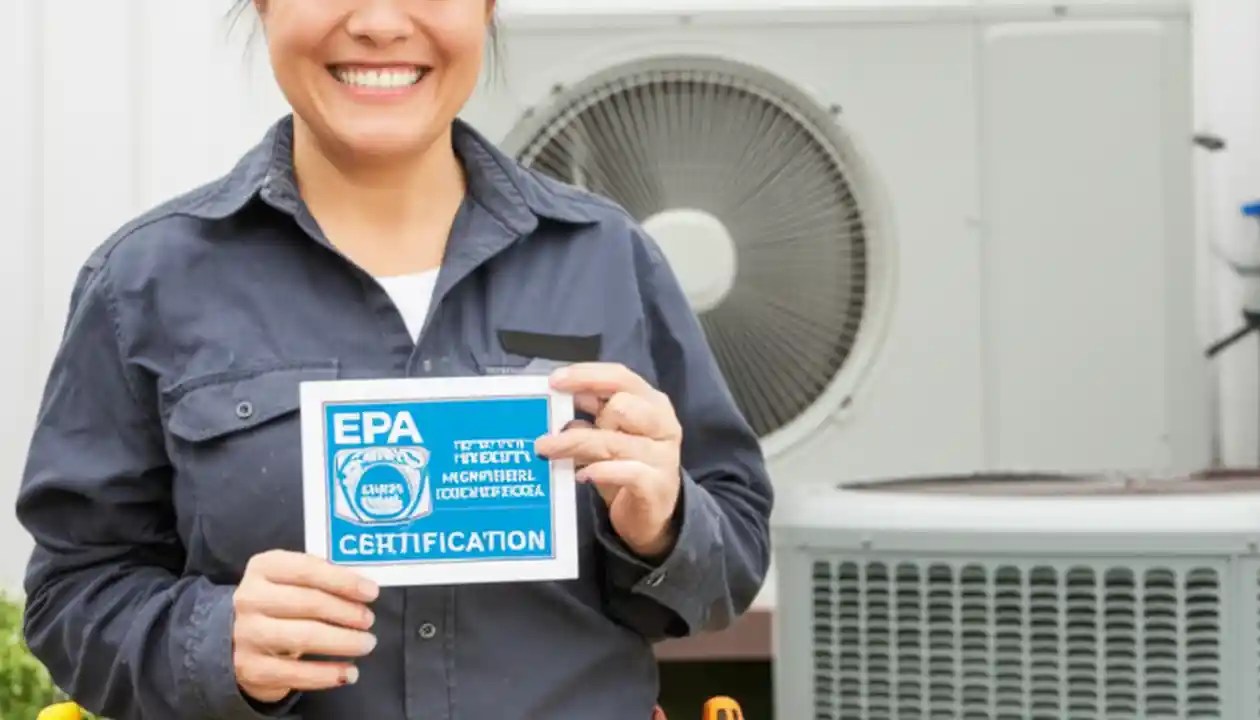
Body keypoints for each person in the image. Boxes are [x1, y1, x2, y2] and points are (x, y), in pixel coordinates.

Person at [15, 1, 774, 719]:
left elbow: (732, 562)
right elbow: (72, 596)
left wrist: (664, 525)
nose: (380, 23)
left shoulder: (608, 260)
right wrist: (214, 644)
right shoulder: (145, 283)